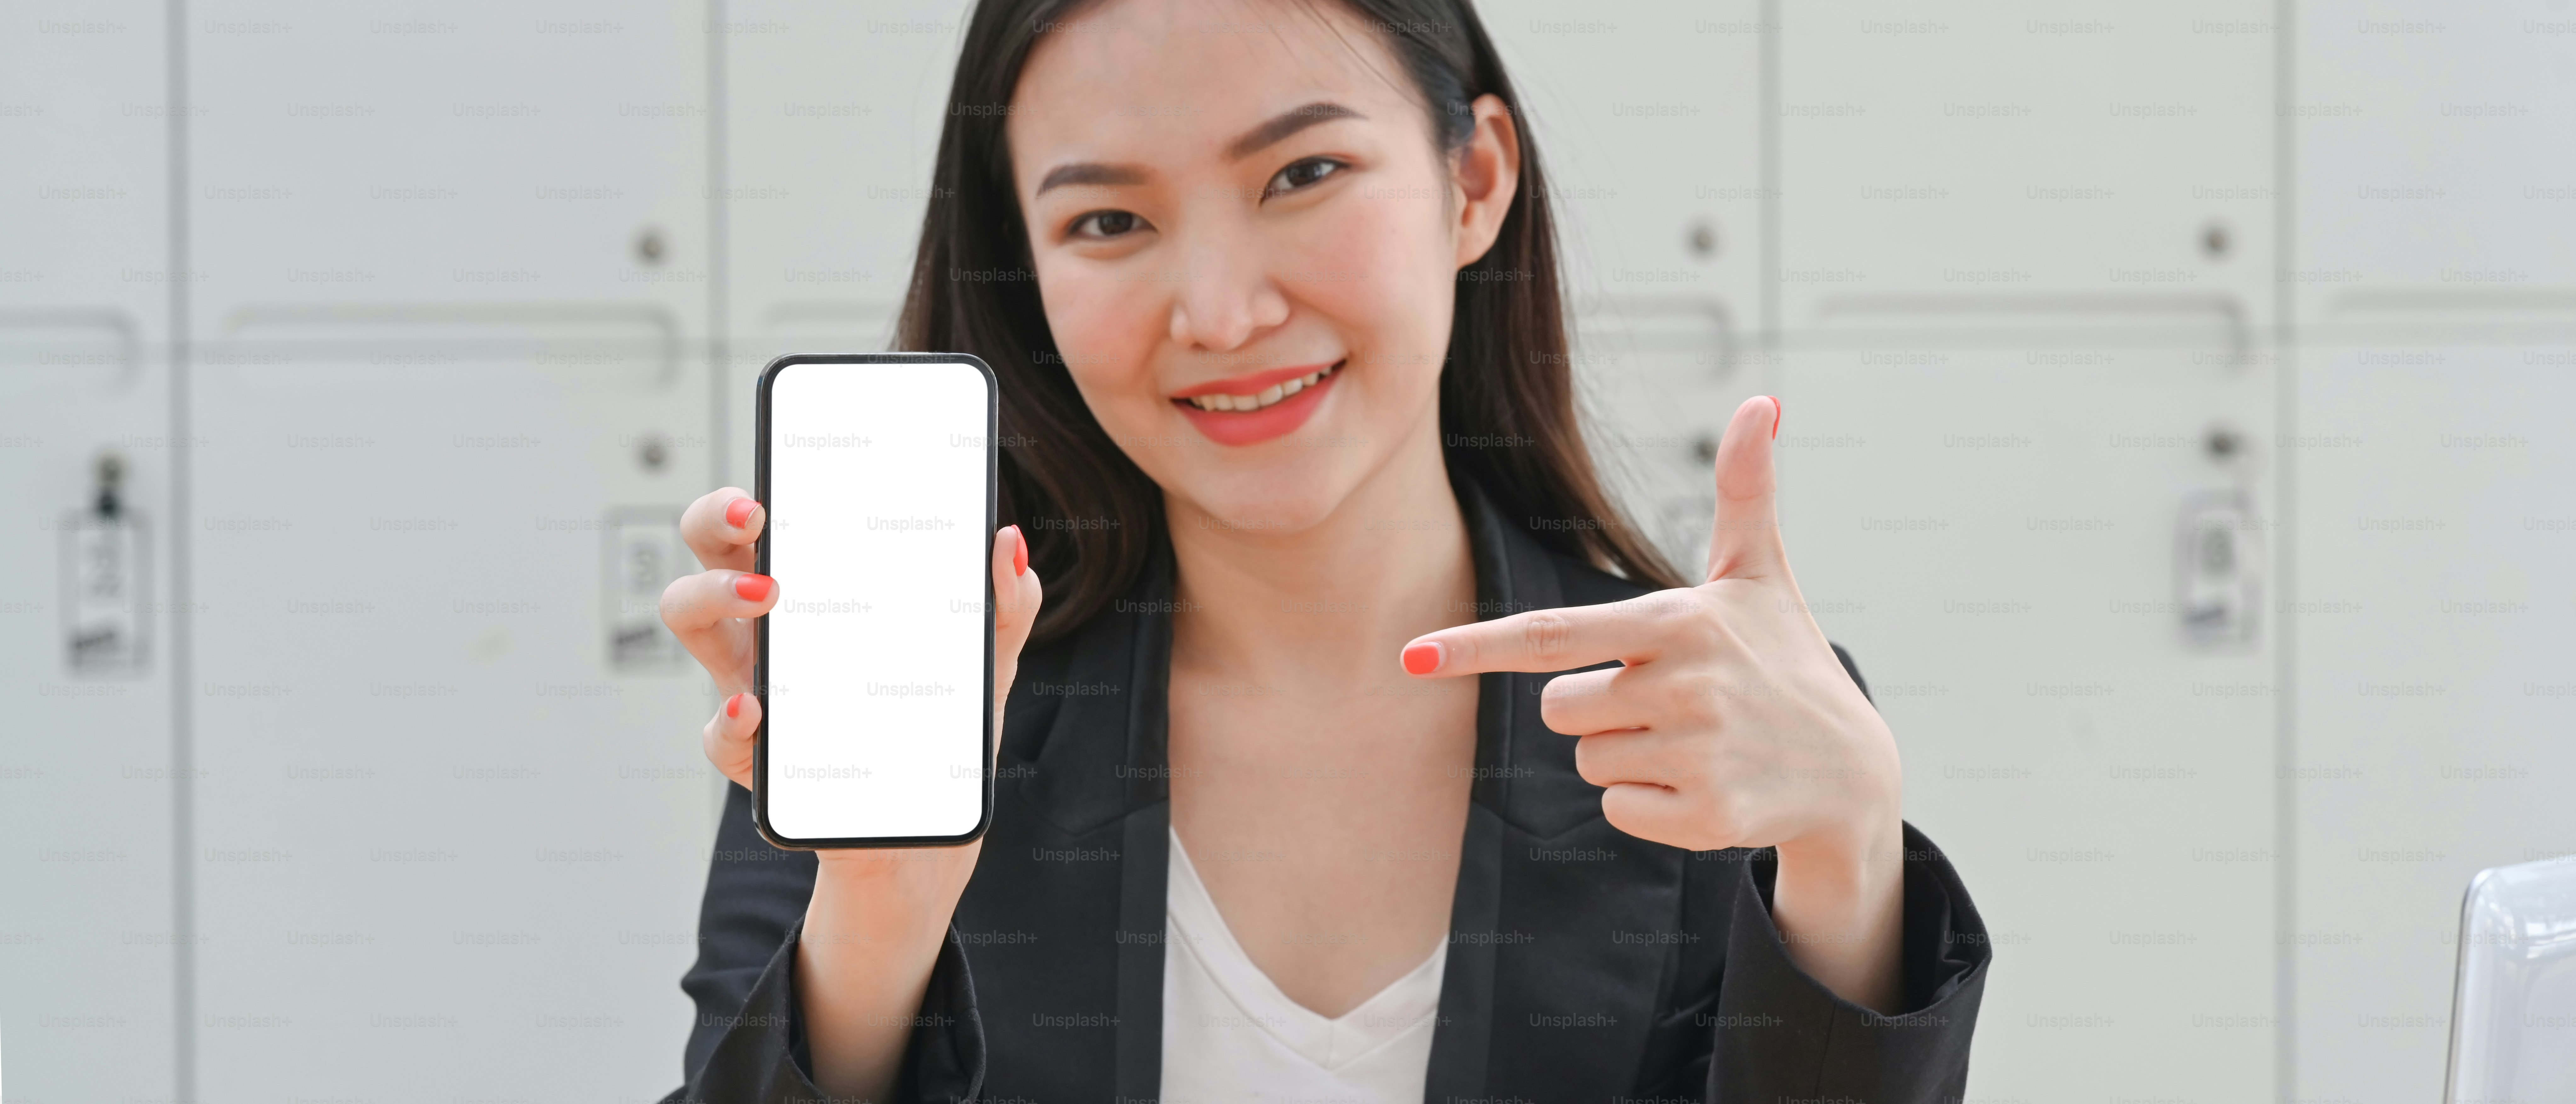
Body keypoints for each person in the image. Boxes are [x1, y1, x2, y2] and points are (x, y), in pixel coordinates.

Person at [657, 0, 1989, 1099]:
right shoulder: (905, 726)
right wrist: (878, 925)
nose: (1223, 313)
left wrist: (1845, 857)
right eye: (1106, 222)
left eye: (1301, 174)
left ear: (1473, 183)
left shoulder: (1708, 721)